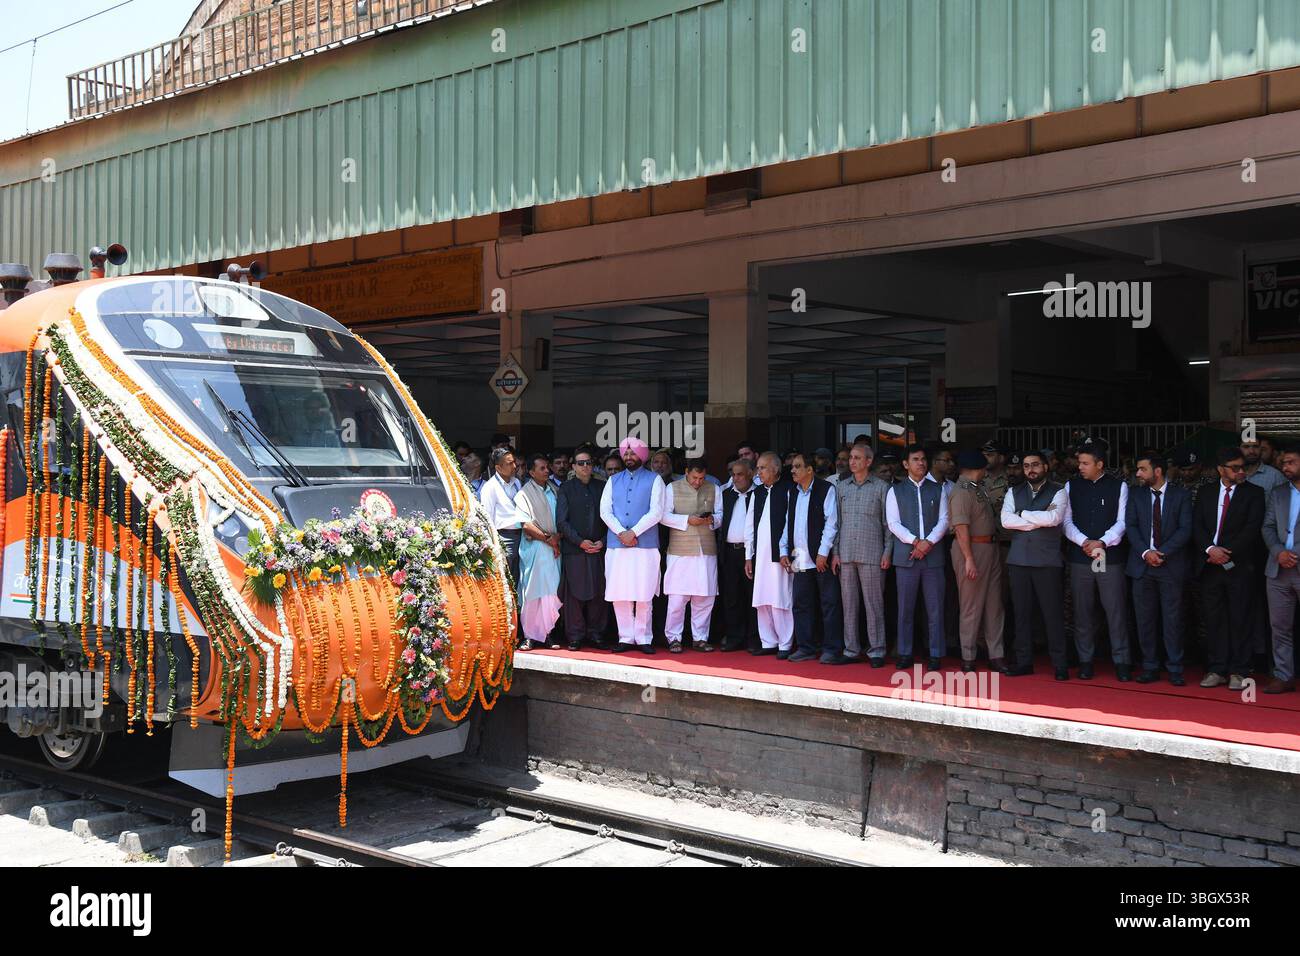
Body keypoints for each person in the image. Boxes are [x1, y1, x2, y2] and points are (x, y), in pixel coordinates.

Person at [1193, 446, 1265, 690]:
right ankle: (1217, 668)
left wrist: (1226, 553)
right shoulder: (1205, 492)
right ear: (1220, 469)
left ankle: (1239, 670)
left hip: (1239, 566)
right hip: (1209, 566)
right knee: (1214, 619)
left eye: (1242, 467)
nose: (1240, 472)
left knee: (1240, 618)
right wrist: (1210, 550)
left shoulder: (1254, 493)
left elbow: (1252, 529)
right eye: (1235, 468)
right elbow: (1197, 526)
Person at [1063, 439, 1132, 680]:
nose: (1079, 467)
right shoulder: (1071, 486)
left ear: (1099, 464)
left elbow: (1123, 522)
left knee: (1115, 611)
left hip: (1109, 556)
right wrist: (1084, 541)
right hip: (1080, 556)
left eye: (1085, 463)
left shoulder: (1119, 486)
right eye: (1079, 462)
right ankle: (1085, 660)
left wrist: (1102, 541)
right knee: (1082, 612)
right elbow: (1066, 521)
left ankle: (1121, 661)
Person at [1125, 451, 1192, 686]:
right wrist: (1146, 552)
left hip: (1170, 566)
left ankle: (1174, 667)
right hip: (1142, 566)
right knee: (1145, 620)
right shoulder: (1136, 495)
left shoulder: (1181, 495)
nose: (1138, 474)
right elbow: (1130, 526)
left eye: (1142, 469)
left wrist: (1161, 552)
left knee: (1172, 620)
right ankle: (1150, 666)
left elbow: (1185, 529)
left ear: (1158, 471)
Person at [1000, 451, 1069, 679]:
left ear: (1046, 467)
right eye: (1027, 465)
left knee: (1052, 614)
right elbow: (1006, 521)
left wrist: (1022, 515)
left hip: (1047, 561)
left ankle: (1060, 664)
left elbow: (1054, 519)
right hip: (1019, 561)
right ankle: (1024, 661)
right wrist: (1036, 519)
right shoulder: (1013, 491)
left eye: (1035, 465)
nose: (1031, 469)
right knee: (1021, 614)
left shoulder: (1059, 490)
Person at [599, 436, 666, 653]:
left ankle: (644, 638)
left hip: (644, 544)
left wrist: (634, 532)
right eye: (626, 453)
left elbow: (656, 511)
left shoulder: (655, 479)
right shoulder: (612, 480)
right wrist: (622, 533)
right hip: (618, 545)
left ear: (643, 455)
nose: (629, 456)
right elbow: (605, 511)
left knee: (644, 592)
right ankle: (625, 637)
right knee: (621, 592)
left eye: (633, 453)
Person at [885, 444, 949, 670]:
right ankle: (905, 653)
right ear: (905, 464)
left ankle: (935, 654)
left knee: (935, 608)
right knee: (905, 608)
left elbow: (944, 520)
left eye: (923, 459)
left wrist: (928, 543)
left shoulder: (938, 489)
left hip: (933, 556)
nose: (920, 463)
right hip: (907, 556)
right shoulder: (895, 490)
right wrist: (915, 542)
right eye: (915, 459)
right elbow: (893, 523)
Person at [781, 452, 847, 664]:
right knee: (801, 604)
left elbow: (831, 523)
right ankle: (806, 647)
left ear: (809, 470)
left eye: (798, 466)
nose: (793, 470)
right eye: (793, 466)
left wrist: (822, 552)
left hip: (821, 558)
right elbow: (788, 522)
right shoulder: (793, 491)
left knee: (829, 604)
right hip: (799, 557)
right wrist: (784, 550)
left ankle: (831, 649)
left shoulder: (826, 489)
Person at [831, 442, 891, 666]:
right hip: (846, 553)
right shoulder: (842, 487)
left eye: (857, 458)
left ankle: (876, 650)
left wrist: (887, 552)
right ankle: (851, 649)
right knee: (849, 605)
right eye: (851, 458)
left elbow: (888, 525)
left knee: (874, 605)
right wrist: (835, 552)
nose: (852, 461)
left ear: (869, 461)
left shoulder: (881, 487)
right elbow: (837, 523)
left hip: (873, 554)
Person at [948, 450, 1007, 674]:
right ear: (978, 468)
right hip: (972, 549)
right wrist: (969, 559)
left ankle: (996, 653)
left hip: (989, 548)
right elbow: (961, 527)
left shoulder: (976, 488)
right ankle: (968, 655)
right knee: (971, 605)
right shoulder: (961, 492)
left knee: (994, 605)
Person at [660, 459, 724, 652]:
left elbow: (721, 515)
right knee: (677, 598)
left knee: (704, 597)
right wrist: (687, 520)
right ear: (686, 472)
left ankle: (700, 638)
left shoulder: (714, 488)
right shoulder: (672, 488)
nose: (698, 481)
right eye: (694, 477)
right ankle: (673, 638)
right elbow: (662, 516)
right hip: (680, 551)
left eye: (701, 478)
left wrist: (712, 519)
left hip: (706, 549)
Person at [556, 449, 609, 650]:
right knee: (575, 594)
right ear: (573, 466)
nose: (585, 467)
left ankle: (596, 634)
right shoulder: (566, 489)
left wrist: (603, 541)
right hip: (575, 549)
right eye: (580, 463)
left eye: (588, 463)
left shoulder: (602, 487)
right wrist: (580, 542)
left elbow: (610, 518)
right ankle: (575, 636)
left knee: (599, 591)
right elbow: (562, 521)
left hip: (599, 548)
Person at [746, 452, 795, 657]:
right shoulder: (757, 493)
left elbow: (790, 522)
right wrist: (748, 556)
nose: (759, 472)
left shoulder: (788, 490)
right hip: (760, 557)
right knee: (762, 599)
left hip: (780, 555)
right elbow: (750, 526)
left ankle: (785, 643)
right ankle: (768, 641)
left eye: (762, 468)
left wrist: (786, 551)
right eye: (758, 468)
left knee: (780, 598)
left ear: (775, 469)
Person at [1261, 444, 1300, 693]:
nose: (1285, 467)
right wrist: (1279, 552)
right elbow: (1267, 527)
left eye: (1291, 462)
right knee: (1280, 627)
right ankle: (1284, 675)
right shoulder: (1278, 493)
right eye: (1283, 462)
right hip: (1278, 569)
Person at [515, 453, 563, 650]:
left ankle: (548, 633)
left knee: (551, 592)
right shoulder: (523, 494)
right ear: (531, 472)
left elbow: (563, 519)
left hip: (554, 550)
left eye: (547, 468)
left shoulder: (555, 491)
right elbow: (526, 524)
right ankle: (530, 636)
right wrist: (548, 540)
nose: (546, 471)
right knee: (532, 592)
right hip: (535, 549)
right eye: (542, 468)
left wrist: (556, 538)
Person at [719, 458, 759, 652]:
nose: (736, 478)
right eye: (733, 474)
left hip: (751, 554)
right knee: (731, 597)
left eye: (740, 474)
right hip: (729, 552)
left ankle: (753, 640)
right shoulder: (725, 494)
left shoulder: (759, 495)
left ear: (751, 473)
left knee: (752, 597)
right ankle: (734, 638)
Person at [480, 448, 523, 615]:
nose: (514, 466)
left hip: (521, 535)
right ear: (498, 468)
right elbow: (487, 520)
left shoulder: (517, 482)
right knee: (508, 580)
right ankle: (508, 620)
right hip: (504, 536)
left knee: (520, 579)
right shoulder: (490, 488)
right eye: (509, 463)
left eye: (514, 462)